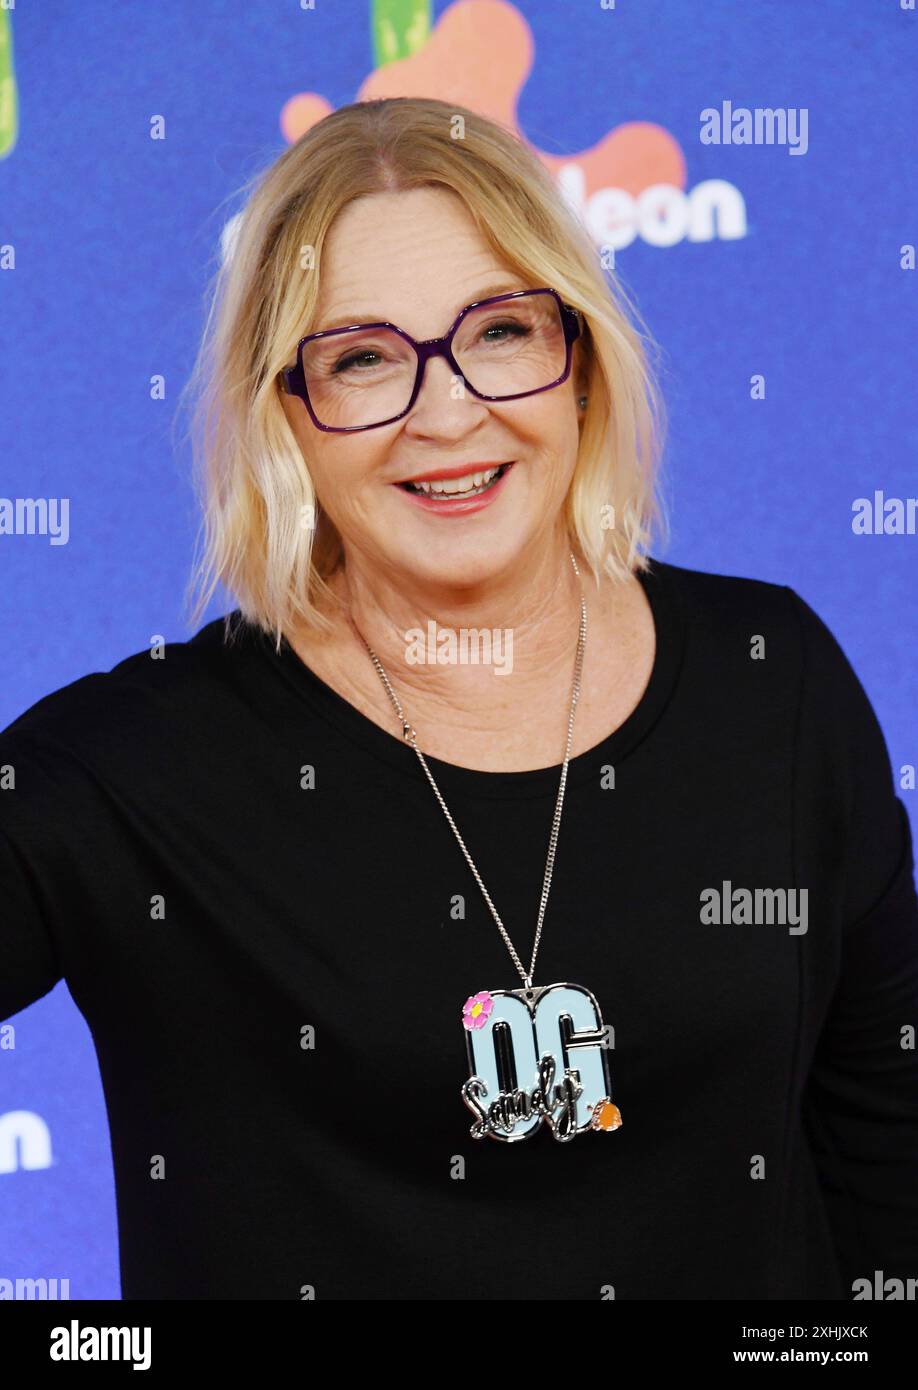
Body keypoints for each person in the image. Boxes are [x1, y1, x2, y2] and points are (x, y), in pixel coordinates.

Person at [2, 96, 916, 1301]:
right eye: (363, 358)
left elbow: (886, 1150)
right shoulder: (126, 772)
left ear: (577, 358)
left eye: (498, 331)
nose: (447, 411)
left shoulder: (772, 675)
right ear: (287, 414)